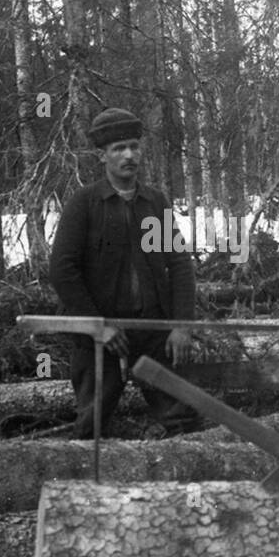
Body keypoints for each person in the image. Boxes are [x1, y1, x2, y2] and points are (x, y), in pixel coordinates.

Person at [49, 106, 197, 438]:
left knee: (180, 422)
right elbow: (62, 271)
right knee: (92, 426)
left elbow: (179, 266)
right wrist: (98, 326)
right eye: (118, 149)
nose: (129, 155)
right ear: (102, 156)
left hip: (154, 334)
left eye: (134, 146)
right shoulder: (85, 205)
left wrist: (181, 327)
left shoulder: (154, 204)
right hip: (99, 340)